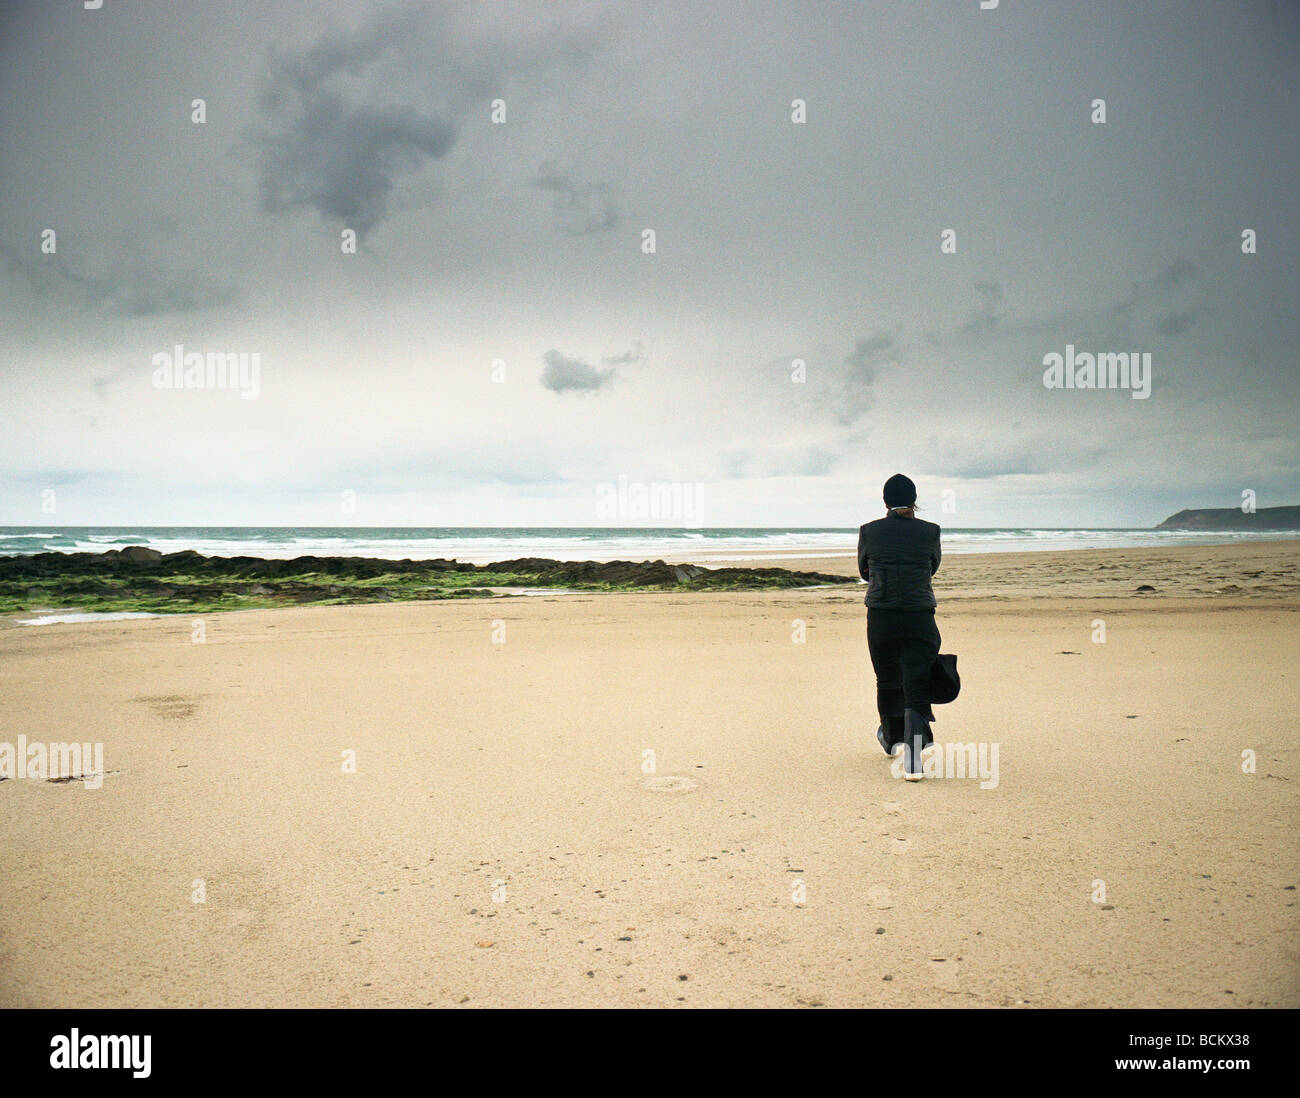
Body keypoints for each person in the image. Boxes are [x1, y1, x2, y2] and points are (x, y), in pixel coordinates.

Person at [858, 474, 942, 781]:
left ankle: (892, 738)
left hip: (881, 614)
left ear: (885, 501)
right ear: (915, 500)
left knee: (887, 678)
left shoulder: (869, 531)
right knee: (916, 680)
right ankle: (914, 759)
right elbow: (932, 566)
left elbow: (864, 571)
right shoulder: (931, 531)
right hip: (919, 613)